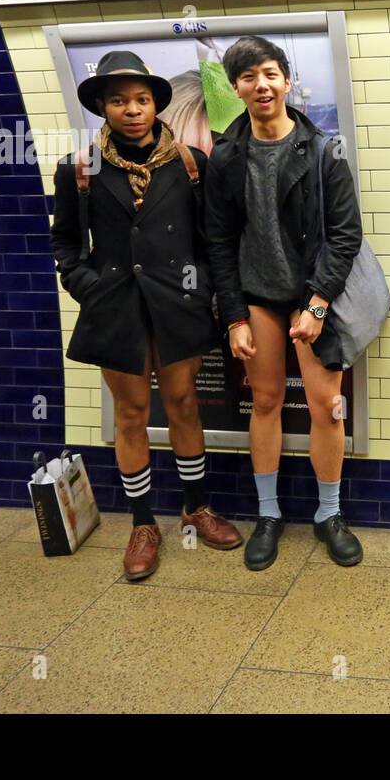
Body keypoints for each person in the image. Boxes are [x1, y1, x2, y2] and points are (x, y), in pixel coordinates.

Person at [51, 50, 242, 581]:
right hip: (116, 310)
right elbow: (65, 242)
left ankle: (196, 507)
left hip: (177, 308)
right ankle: (142, 523)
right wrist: (86, 286)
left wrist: (201, 289)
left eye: (141, 99)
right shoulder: (79, 169)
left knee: (183, 404)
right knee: (132, 415)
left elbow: (211, 242)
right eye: (118, 101)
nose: (131, 109)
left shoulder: (189, 164)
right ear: (103, 108)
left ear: (156, 103)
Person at [205, 35, 365, 571]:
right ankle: (269, 514)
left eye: (270, 73)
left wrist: (317, 304)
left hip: (313, 296)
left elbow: (345, 236)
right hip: (257, 298)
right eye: (249, 77)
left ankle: (328, 515)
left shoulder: (324, 150)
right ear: (236, 89)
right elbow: (219, 242)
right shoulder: (225, 156)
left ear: (287, 79)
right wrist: (232, 316)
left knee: (325, 407)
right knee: (266, 402)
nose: (261, 85)